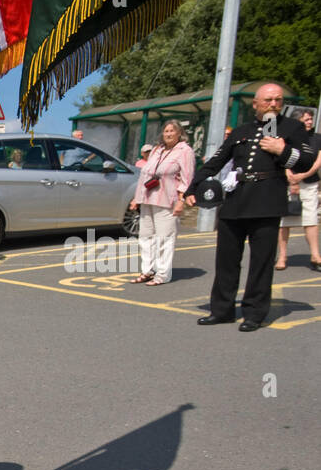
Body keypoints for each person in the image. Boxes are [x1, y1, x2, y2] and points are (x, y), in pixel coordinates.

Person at [186, 83, 317, 331]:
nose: (273, 104)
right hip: (236, 200)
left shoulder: (292, 128)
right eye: (268, 100)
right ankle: (222, 310)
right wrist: (194, 187)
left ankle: (254, 313)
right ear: (255, 104)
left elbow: (306, 162)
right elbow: (217, 160)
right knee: (226, 260)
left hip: (267, 200)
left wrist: (283, 150)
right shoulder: (241, 131)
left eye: (278, 100)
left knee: (261, 262)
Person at [128, 120, 194, 285]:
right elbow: (145, 175)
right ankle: (147, 270)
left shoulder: (184, 151)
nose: (169, 134)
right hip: (148, 198)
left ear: (179, 133)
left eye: (172, 131)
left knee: (164, 238)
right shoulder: (157, 149)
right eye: (166, 131)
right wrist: (137, 198)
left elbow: (187, 178)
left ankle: (162, 274)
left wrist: (181, 200)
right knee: (145, 236)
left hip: (167, 199)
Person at [276, 109, 321, 272]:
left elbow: (318, 160)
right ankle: (282, 256)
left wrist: (303, 175)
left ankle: (315, 255)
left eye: (310, 119)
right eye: (306, 119)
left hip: (309, 182)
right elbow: (281, 157)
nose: (310, 122)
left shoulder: (317, 138)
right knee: (284, 221)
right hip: (288, 182)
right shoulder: (288, 138)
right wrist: (290, 176)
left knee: (311, 219)